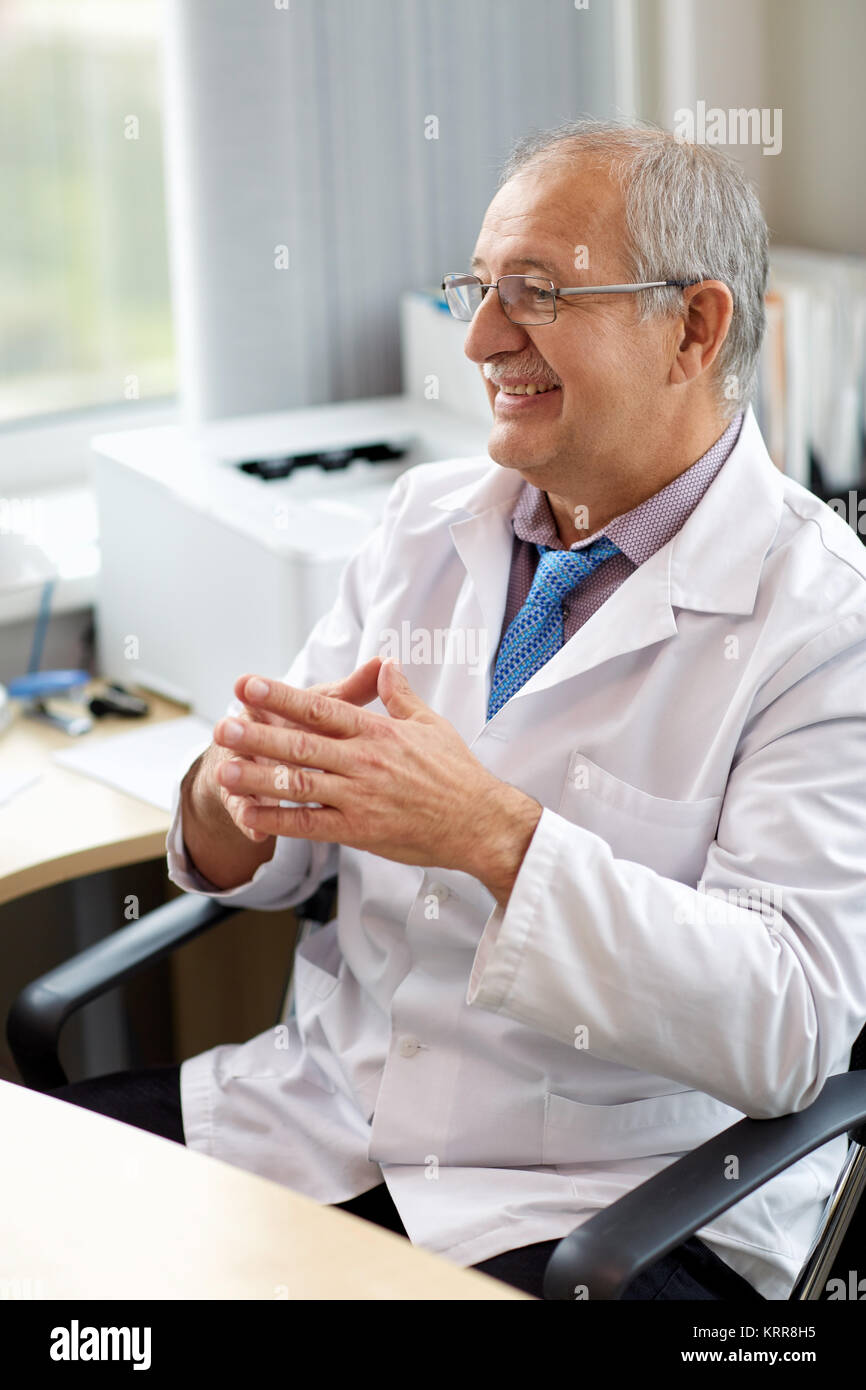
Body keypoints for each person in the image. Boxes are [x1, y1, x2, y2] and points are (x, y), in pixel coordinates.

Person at [51, 118, 866, 1301]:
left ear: (692, 328)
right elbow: (275, 853)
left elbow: (786, 1025)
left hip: (609, 1205)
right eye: (477, 290)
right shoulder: (426, 523)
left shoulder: (820, 618)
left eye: (534, 293)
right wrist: (232, 802)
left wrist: (493, 836)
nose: (480, 339)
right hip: (323, 1119)